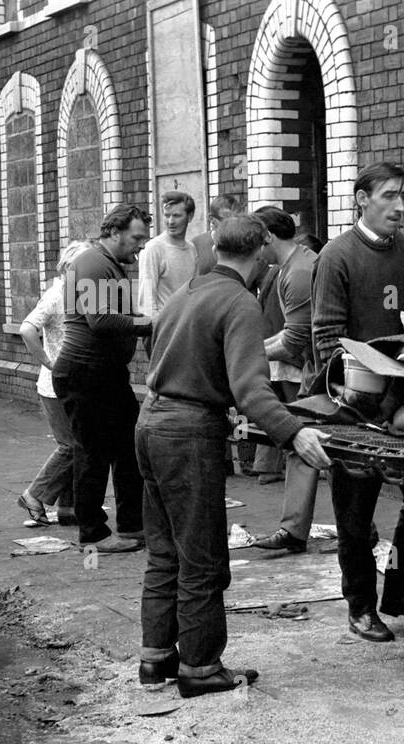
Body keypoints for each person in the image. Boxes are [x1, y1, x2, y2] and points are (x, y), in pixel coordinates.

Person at [136, 214, 332, 697]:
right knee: (202, 557)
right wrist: (296, 434)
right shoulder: (240, 301)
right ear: (262, 248)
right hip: (188, 434)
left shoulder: (186, 293)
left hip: (150, 424)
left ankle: (156, 660)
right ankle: (200, 669)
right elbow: (251, 390)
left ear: (216, 247)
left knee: (165, 553)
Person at [254, 162, 404, 643]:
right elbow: (325, 340)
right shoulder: (336, 256)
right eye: (389, 196)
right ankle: (360, 606)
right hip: (349, 401)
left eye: (403, 196)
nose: (399, 206)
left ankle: (399, 590)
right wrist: (361, 391)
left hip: (401, 400)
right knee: (355, 514)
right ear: (362, 199)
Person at [51, 204, 153, 554]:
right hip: (85, 373)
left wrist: (143, 319)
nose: (140, 246)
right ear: (113, 233)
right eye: (136, 238)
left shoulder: (108, 265)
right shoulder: (93, 263)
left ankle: (132, 525)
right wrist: (150, 323)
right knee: (92, 453)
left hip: (105, 374)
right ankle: (93, 533)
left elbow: (121, 313)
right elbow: (101, 320)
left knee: (128, 448)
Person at [16, 240, 90, 527]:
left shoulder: (78, 293)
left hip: (69, 384)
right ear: (70, 266)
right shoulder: (57, 295)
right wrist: (48, 362)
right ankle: (34, 495)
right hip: (55, 385)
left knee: (78, 445)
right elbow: (26, 328)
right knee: (72, 446)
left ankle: (68, 509)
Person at [253, 206, 318, 484]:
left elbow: (292, 342)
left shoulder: (298, 271)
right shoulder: (289, 266)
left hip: (318, 369)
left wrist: (249, 353)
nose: (254, 250)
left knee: (304, 443)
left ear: (268, 237)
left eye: (256, 240)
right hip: (310, 365)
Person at [136, 191, 198, 320]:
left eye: (176, 216)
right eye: (167, 215)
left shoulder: (192, 249)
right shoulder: (153, 249)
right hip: (162, 329)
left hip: (185, 326)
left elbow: (194, 292)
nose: (171, 221)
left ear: (190, 216)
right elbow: (146, 302)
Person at [193, 195, 238, 276]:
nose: (232, 225)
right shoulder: (196, 245)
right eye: (226, 220)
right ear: (211, 219)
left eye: (236, 220)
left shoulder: (247, 245)